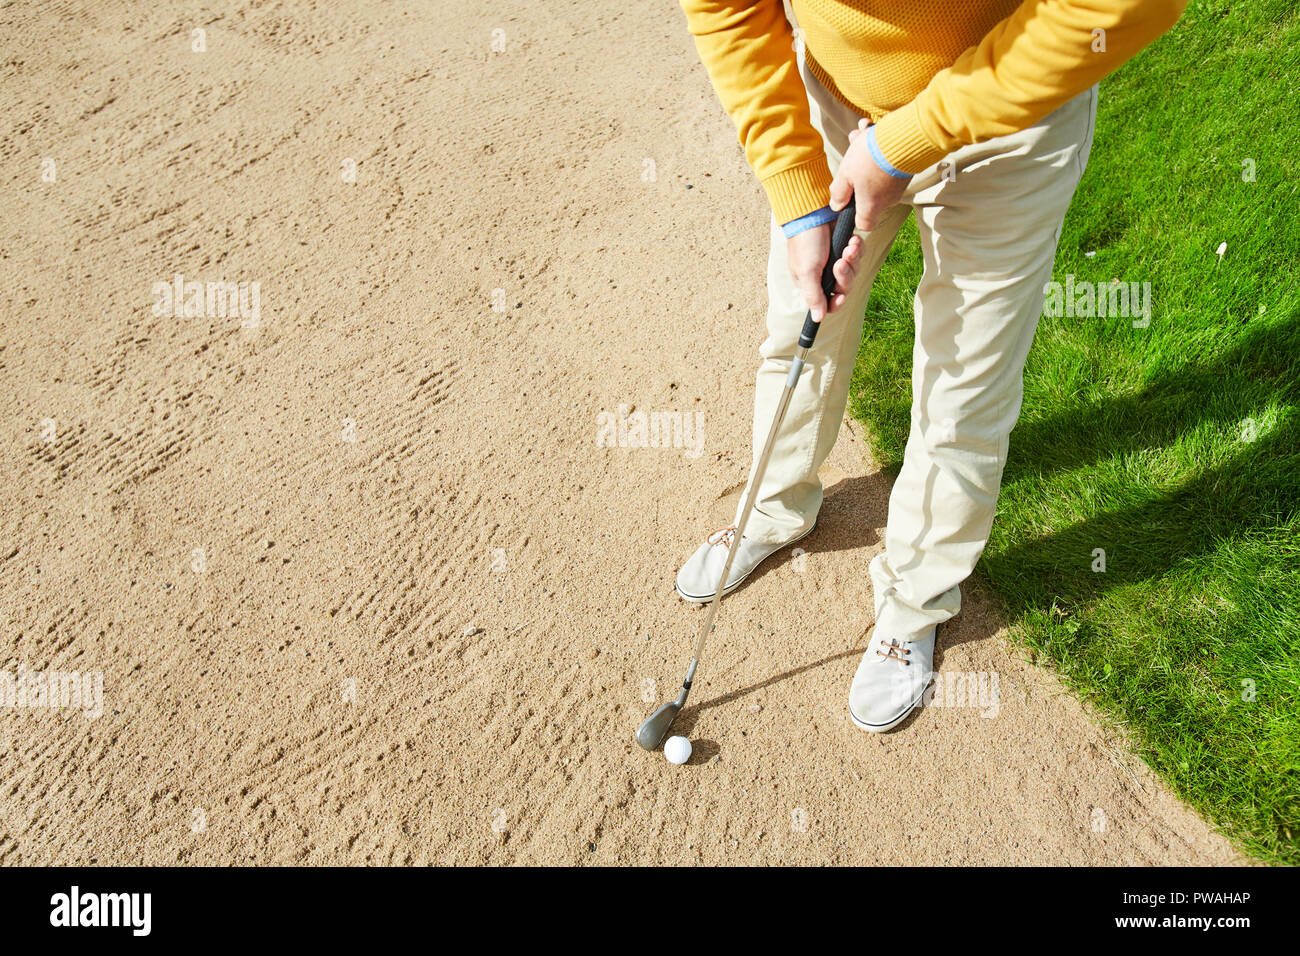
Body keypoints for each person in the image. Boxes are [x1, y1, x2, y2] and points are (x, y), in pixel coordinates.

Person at [672, 0, 1187, 731]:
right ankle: (774, 507)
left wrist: (903, 142)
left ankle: (915, 599)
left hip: (1013, 107)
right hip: (838, 92)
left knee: (964, 382)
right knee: (800, 321)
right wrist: (795, 193)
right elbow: (727, 10)